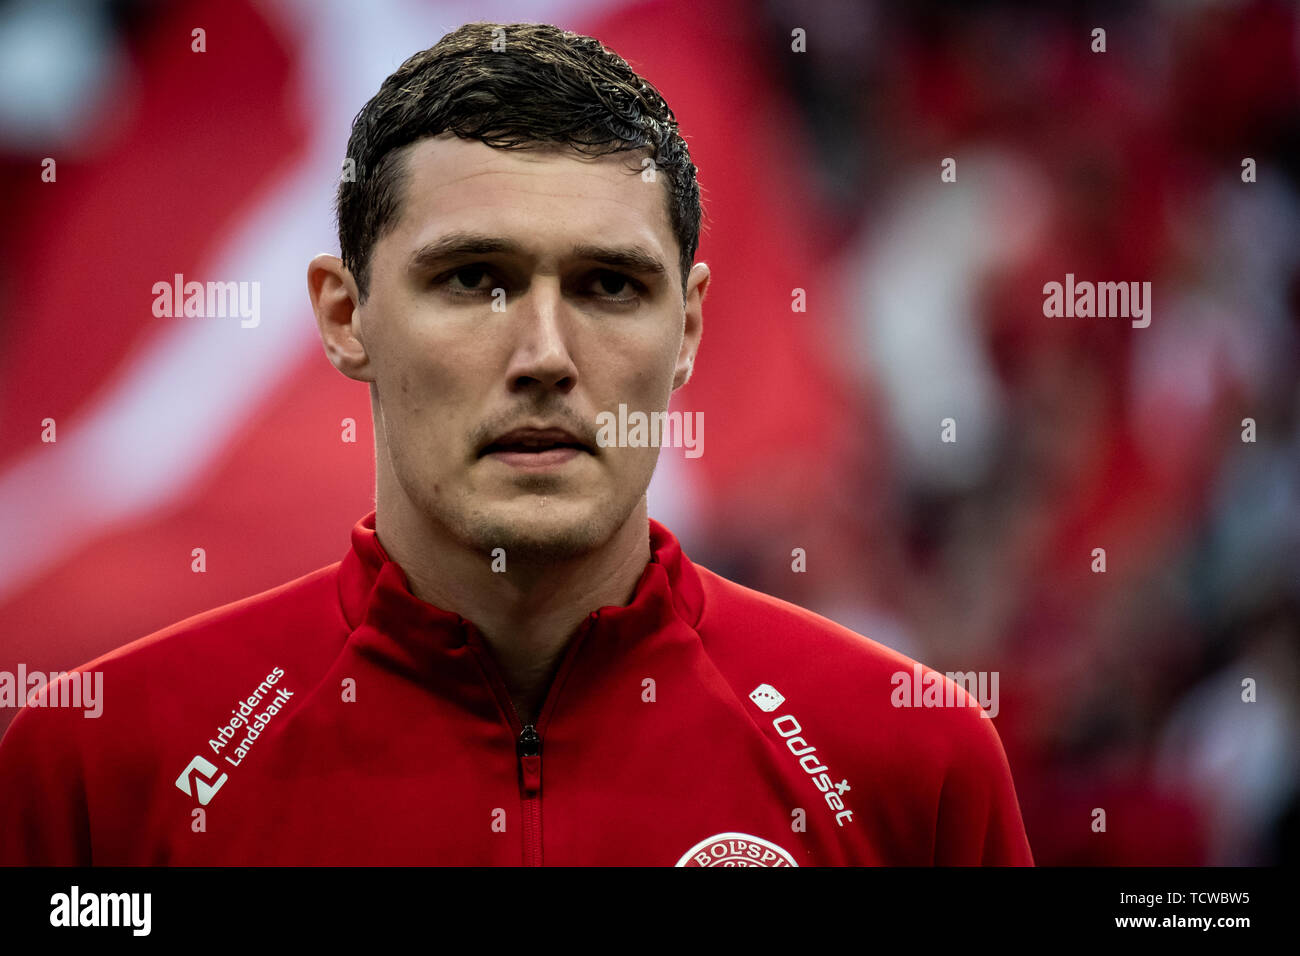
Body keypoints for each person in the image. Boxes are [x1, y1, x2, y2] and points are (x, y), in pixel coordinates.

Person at [0, 21, 1032, 866]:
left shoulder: (910, 764)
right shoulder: (98, 767)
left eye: (607, 286)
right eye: (471, 281)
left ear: (690, 328)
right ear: (345, 316)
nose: (543, 354)